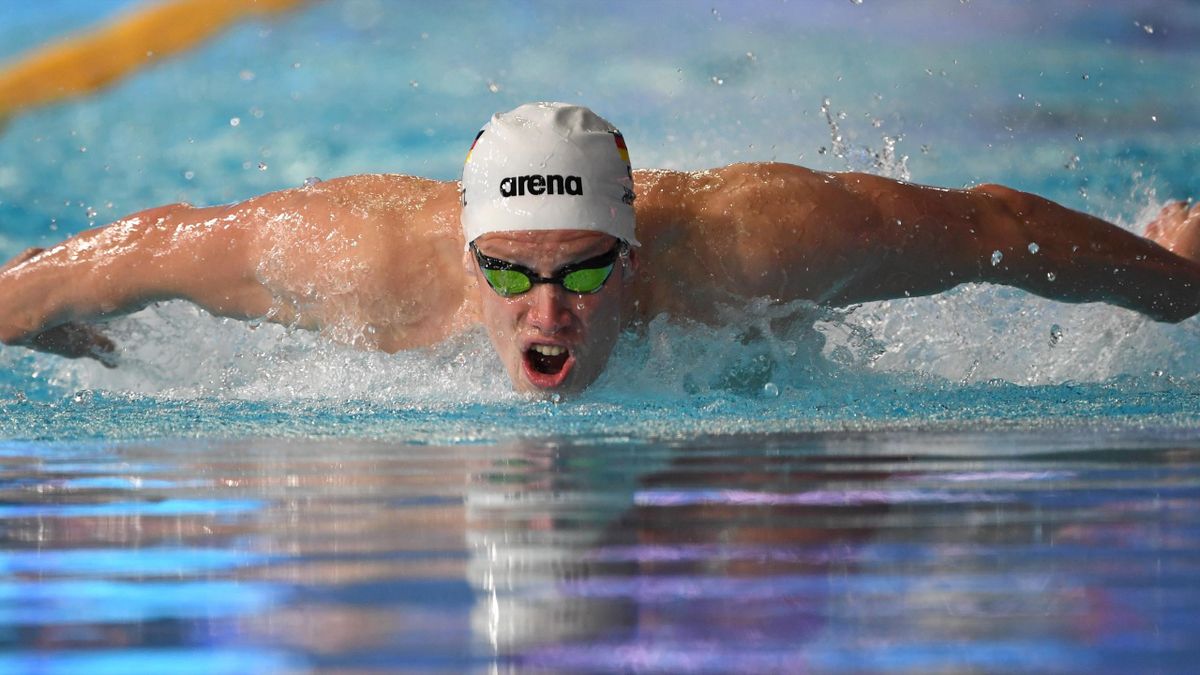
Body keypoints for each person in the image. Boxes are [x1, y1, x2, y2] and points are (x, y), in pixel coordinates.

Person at [1, 102, 1198, 395]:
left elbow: (996, 229)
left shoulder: (760, 244)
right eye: (511, 272)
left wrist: (1176, 287)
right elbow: (133, 249)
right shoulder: (349, 263)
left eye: (581, 269)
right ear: (468, 260)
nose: (547, 308)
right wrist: (34, 310)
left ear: (634, 258)